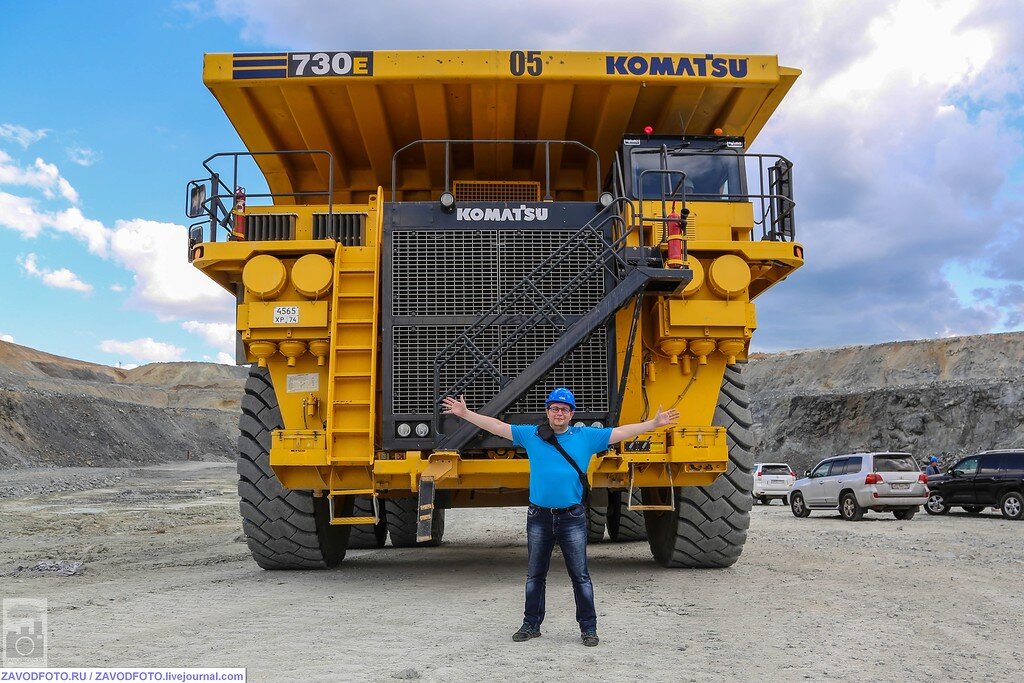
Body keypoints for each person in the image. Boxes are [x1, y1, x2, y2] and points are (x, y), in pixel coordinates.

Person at [441, 387, 679, 647]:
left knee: (580, 576)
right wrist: (465, 414)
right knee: (535, 575)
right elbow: (497, 426)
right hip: (539, 517)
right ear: (548, 412)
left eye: (564, 409)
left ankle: (588, 628)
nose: (559, 413)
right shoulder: (532, 435)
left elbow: (620, 432)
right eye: (554, 408)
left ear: (572, 414)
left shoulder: (585, 436)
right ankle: (531, 624)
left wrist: (654, 423)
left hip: (572, 518)